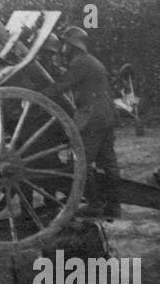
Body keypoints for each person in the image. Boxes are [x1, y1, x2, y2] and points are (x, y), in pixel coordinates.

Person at [45, 26, 122, 220]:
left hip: (92, 118)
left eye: (64, 44)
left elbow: (62, 86)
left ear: (71, 46)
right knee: (109, 163)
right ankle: (114, 205)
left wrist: (39, 95)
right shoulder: (93, 61)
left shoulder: (80, 63)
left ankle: (95, 204)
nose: (62, 48)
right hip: (106, 116)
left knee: (81, 163)